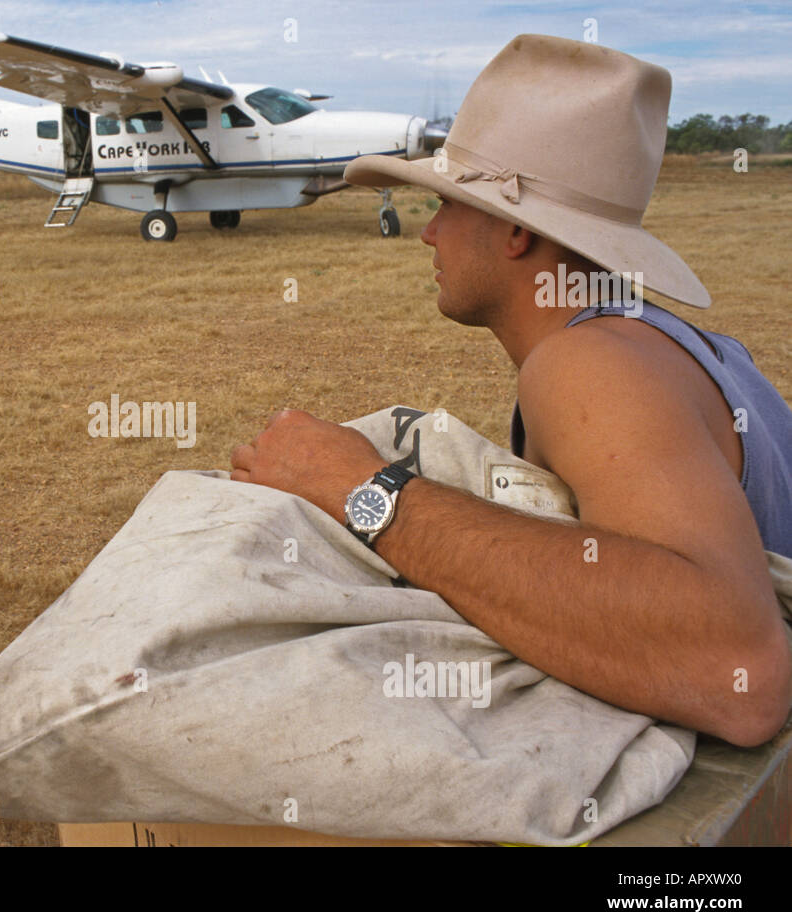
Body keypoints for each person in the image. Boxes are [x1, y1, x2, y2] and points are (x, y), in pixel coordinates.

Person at [230, 34, 792, 748]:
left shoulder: (585, 363)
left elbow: (742, 673)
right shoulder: (676, 346)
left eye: (448, 204)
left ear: (515, 230)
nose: (428, 233)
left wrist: (360, 488)